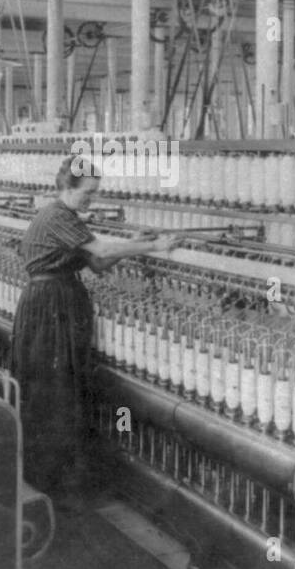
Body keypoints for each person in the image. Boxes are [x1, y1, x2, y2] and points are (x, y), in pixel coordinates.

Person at [10, 156, 178, 502]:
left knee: (64, 387)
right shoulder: (57, 216)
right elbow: (101, 249)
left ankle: (60, 480)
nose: (93, 199)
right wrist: (152, 246)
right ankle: (49, 483)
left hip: (57, 303)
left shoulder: (67, 218)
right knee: (53, 390)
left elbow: (100, 263)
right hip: (50, 306)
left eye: (96, 192)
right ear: (68, 187)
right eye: (89, 192)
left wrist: (131, 242)